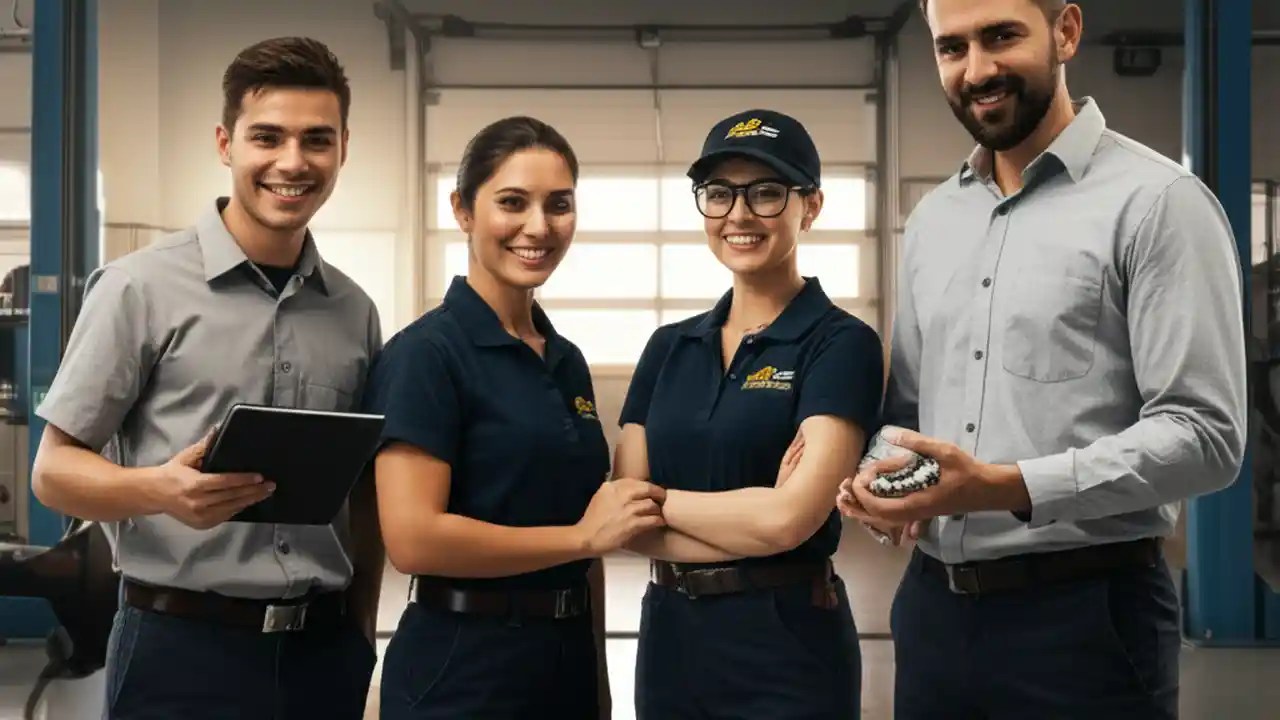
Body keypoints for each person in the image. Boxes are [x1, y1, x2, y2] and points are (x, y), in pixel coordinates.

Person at [837, 1, 1247, 718]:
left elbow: (1205, 437)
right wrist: (878, 480)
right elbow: (909, 412)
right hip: (933, 615)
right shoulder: (935, 220)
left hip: (1086, 623)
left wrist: (1001, 487)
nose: (977, 70)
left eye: (1001, 36)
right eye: (952, 47)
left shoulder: (1158, 204)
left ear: (1066, 32)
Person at [30, 37, 384, 719]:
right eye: (267, 137)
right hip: (179, 651)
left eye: (317, 139)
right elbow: (52, 473)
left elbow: (361, 496)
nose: (293, 162)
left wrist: (360, 633)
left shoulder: (353, 310)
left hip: (322, 655)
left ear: (343, 148)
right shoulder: (138, 288)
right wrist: (159, 490)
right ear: (226, 144)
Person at [364, 115, 665, 720]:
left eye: (559, 204)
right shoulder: (426, 355)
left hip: (564, 663)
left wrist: (599, 685)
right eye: (512, 202)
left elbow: (590, 531)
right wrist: (581, 539)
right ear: (463, 210)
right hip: (464, 670)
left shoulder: (565, 360)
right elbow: (413, 539)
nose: (539, 226)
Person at [614, 108, 884, 719]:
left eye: (765, 193)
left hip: (786, 639)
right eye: (720, 194)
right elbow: (620, 520)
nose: (738, 214)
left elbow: (789, 521)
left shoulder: (841, 343)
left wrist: (659, 501)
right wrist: (757, 514)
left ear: (810, 207)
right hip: (670, 638)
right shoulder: (668, 347)